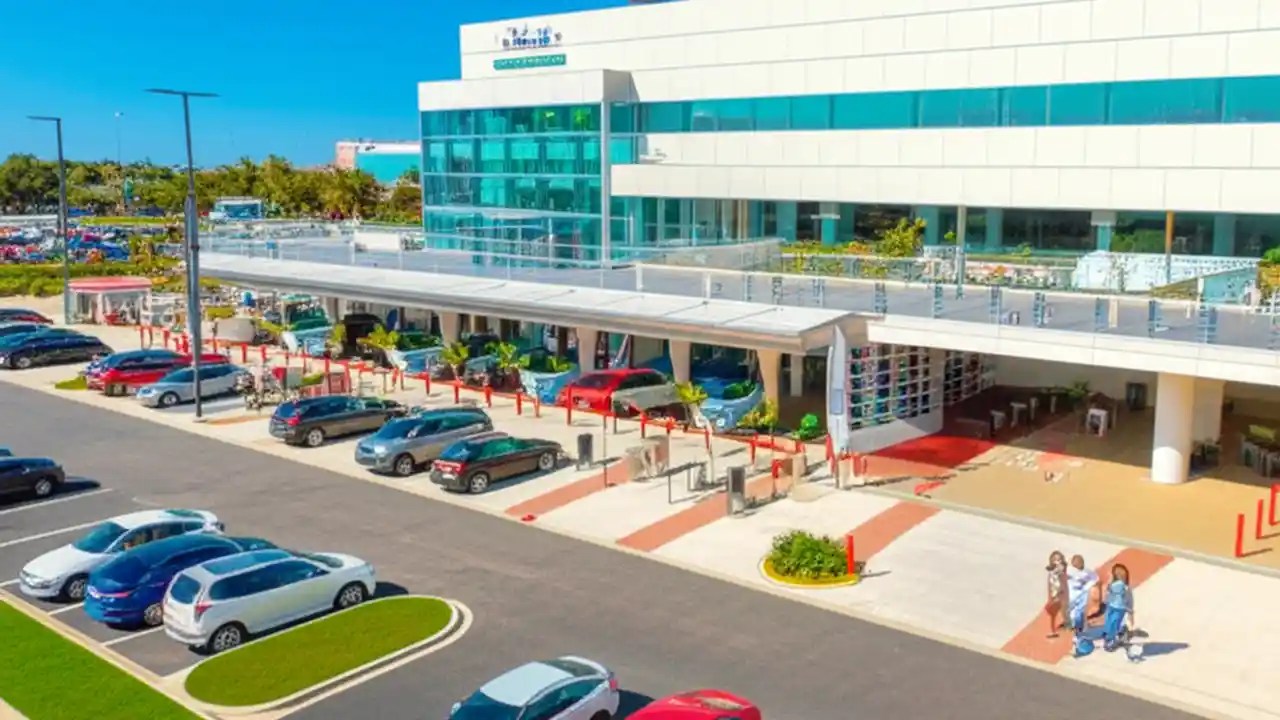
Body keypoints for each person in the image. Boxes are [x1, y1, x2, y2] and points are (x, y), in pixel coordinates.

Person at [1102, 564, 1135, 651]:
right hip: (1110, 606)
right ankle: (1120, 632)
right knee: (1109, 622)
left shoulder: (1126, 588)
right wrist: (1105, 601)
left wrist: (1130, 611)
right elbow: (1107, 594)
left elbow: (1129, 599)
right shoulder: (1111, 585)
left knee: (1114, 623)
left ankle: (1111, 640)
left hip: (1120, 609)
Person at [1065, 554, 1098, 631]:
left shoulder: (1087, 572)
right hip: (1071, 591)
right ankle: (1071, 623)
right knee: (1070, 608)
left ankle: (1078, 625)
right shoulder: (1069, 570)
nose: (1078, 565)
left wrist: (1086, 587)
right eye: (1076, 563)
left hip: (1081, 592)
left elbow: (1095, 578)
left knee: (1080, 609)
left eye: (1080, 563)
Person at [1044, 550, 1068, 638]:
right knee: (1053, 614)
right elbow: (1050, 585)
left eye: (1059, 560)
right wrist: (1050, 596)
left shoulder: (1061, 570)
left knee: (1064, 610)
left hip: (1061, 594)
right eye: (1056, 560)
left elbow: (1061, 573)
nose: (1058, 562)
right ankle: (1052, 630)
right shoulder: (1052, 573)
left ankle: (1067, 623)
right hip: (1055, 595)